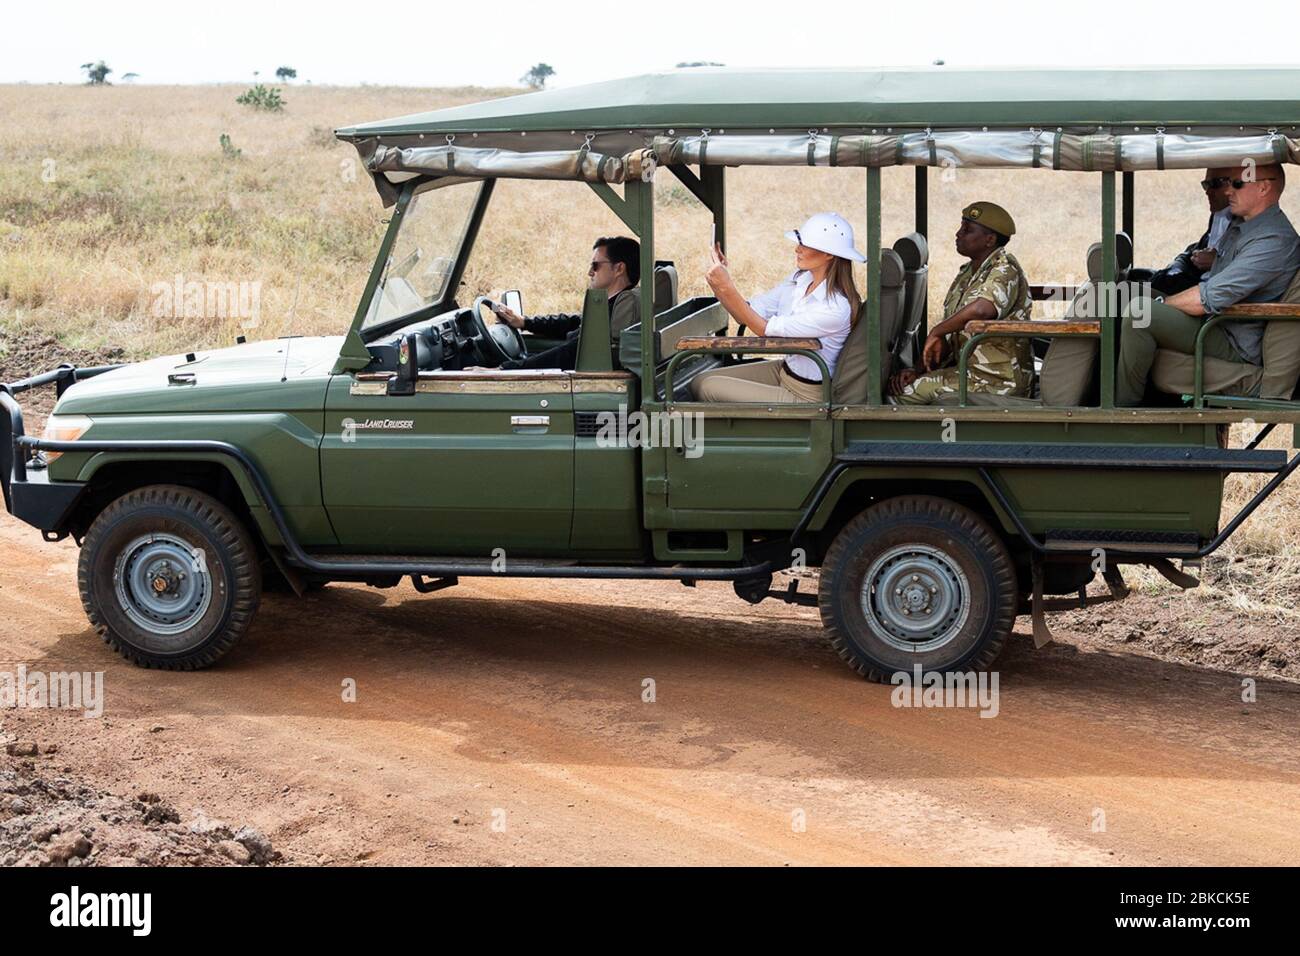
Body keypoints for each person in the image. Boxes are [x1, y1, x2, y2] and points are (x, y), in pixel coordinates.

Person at [1117, 164, 1300, 407]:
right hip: (1218, 323)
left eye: (1236, 184)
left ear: (1264, 187)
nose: (1228, 192)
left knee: (1140, 314)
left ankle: (1121, 412)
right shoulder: (1244, 226)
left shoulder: (1273, 239)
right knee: (1118, 297)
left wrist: (1162, 305)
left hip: (1231, 337)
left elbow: (1208, 297)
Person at [688, 212, 864, 403]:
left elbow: (762, 329)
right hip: (784, 371)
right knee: (699, 381)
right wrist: (718, 284)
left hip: (806, 395)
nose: (797, 249)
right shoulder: (799, 279)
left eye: (805, 244)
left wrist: (726, 286)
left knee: (708, 388)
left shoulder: (835, 308)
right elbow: (747, 313)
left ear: (829, 253)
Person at [889, 202, 1032, 404]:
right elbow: (956, 337)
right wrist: (918, 370)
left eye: (968, 230)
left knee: (905, 395)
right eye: (961, 227)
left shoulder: (1005, 269)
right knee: (906, 385)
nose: (958, 234)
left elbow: (983, 310)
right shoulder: (967, 272)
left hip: (998, 379)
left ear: (990, 240)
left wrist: (936, 331)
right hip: (970, 369)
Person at [493, 236, 641, 369]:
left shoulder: (617, 311)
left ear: (619, 268)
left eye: (595, 266)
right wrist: (525, 322)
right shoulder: (612, 306)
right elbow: (574, 322)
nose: (590, 272)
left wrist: (504, 369)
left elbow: (570, 353)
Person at [1129, 168, 1237, 295]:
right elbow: (1197, 249)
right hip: (1192, 276)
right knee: (1133, 275)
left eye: (1215, 184)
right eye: (1206, 185)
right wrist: (1176, 267)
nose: (1208, 191)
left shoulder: (1243, 221)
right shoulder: (1218, 215)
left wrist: (1217, 261)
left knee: (1125, 292)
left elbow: (1244, 266)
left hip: (1206, 291)